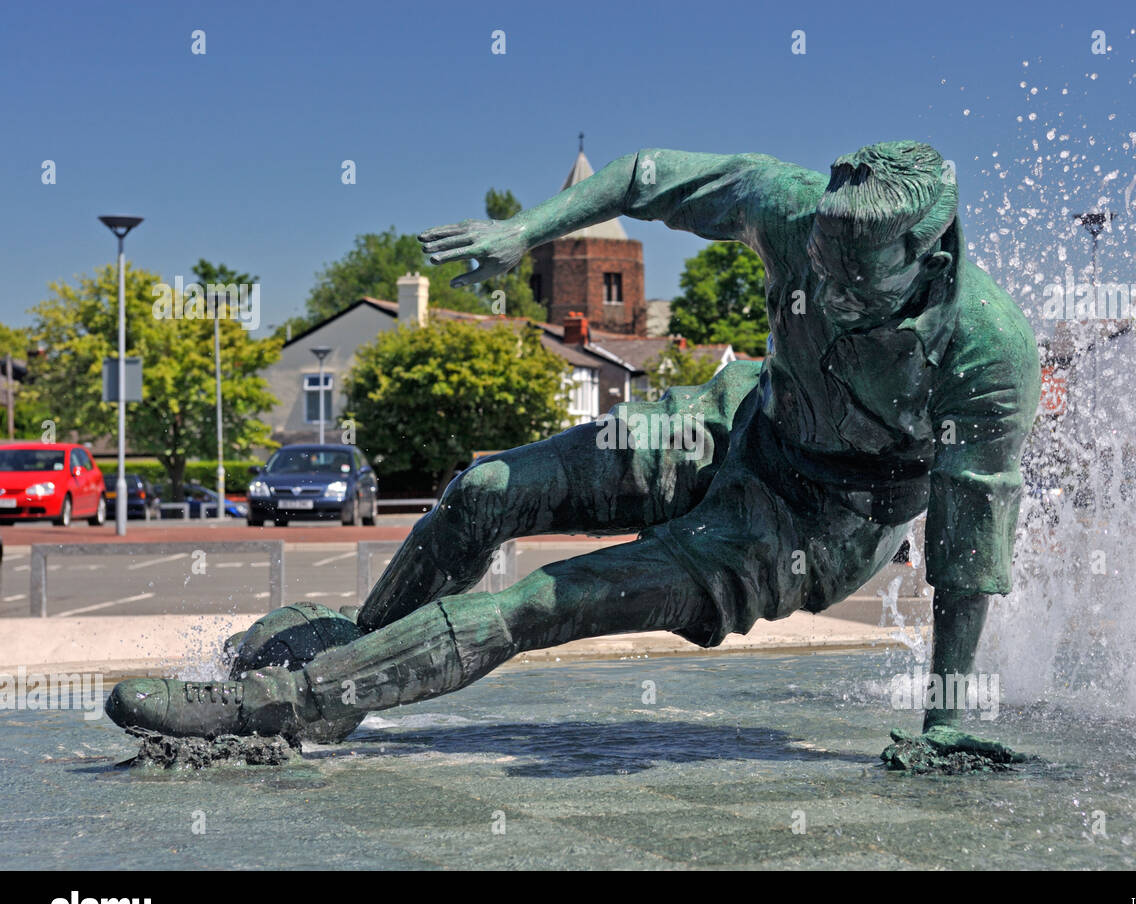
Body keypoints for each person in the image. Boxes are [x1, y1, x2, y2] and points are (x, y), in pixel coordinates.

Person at [105, 141, 1040, 757]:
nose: (827, 294)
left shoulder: (989, 354)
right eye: (820, 272)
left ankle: (276, 706)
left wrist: (949, 717)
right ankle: (359, 659)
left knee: (539, 602)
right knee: (486, 489)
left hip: (814, 521)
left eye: (854, 288)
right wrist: (525, 231)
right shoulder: (800, 210)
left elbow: (966, 559)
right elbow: (643, 178)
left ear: (932, 254)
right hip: (738, 417)